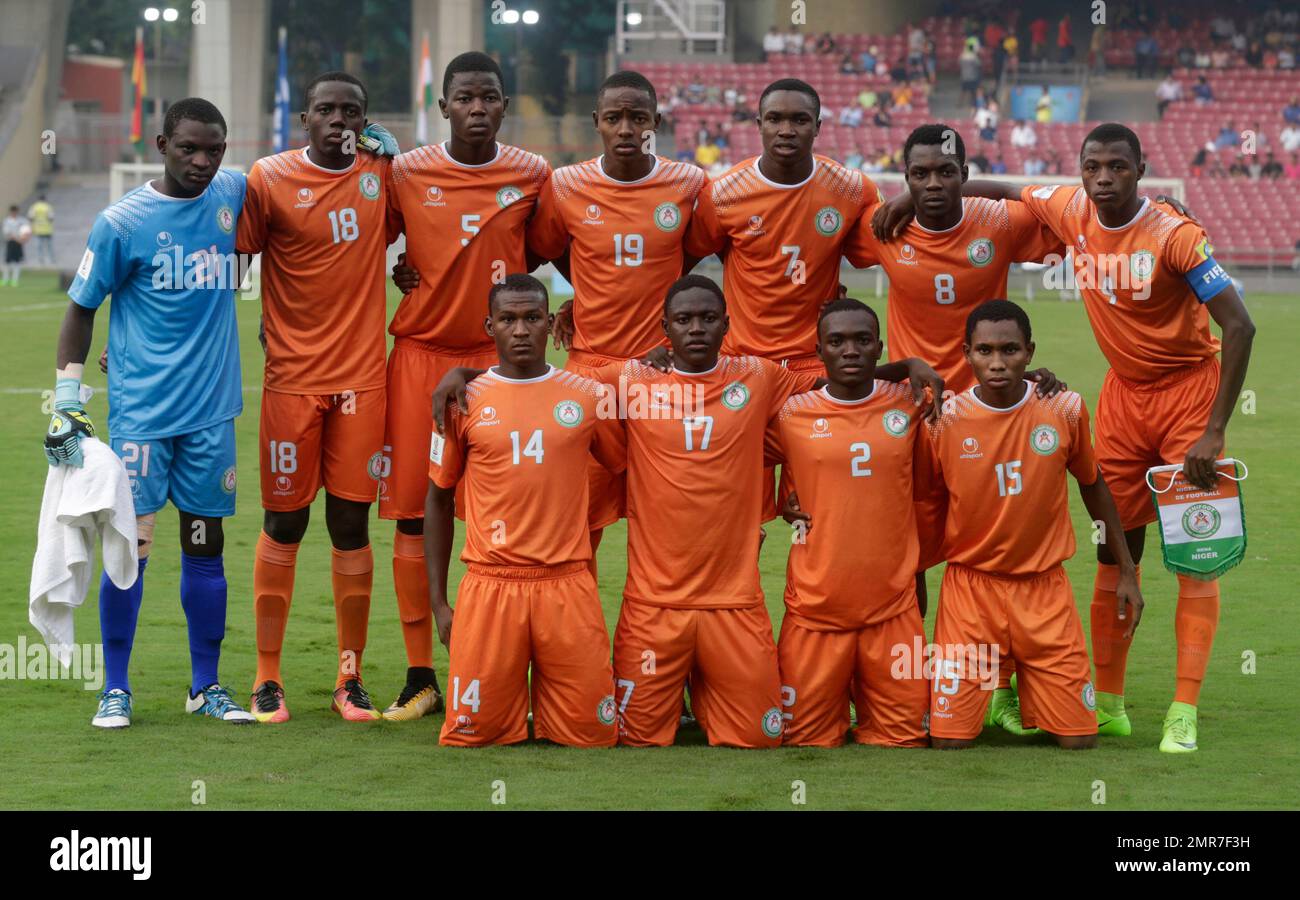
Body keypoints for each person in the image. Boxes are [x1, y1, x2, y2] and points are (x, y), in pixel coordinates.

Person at [906, 123, 1256, 753]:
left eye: (1117, 167)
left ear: (1142, 169)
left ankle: (1184, 708)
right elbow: (1004, 188)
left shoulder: (1176, 237)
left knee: (1195, 552)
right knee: (1113, 548)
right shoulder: (1071, 207)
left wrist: (1215, 429)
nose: (1102, 178)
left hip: (1190, 394)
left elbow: (1241, 325)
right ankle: (1112, 700)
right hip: (1123, 397)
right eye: (1092, 166)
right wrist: (909, 200)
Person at [50, 98, 255, 728]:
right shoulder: (122, 221)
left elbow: (304, 175)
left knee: (205, 544)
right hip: (142, 417)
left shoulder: (234, 192)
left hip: (212, 416)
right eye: (188, 147)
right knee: (128, 551)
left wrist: (363, 144)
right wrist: (66, 399)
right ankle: (117, 688)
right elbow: (82, 307)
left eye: (214, 149)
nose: (201, 160)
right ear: (162, 144)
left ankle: (206, 686)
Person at [843, 124, 1065, 702]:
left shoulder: (1000, 223)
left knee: (1002, 550)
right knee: (907, 557)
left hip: (992, 420)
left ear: (966, 177)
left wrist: (1160, 206)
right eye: (919, 175)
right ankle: (912, 682)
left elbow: (1069, 218)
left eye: (947, 173)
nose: (934, 184)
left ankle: (1008, 684)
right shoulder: (882, 230)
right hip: (911, 421)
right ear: (904, 178)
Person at [378, 52, 551, 719]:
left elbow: (557, 248)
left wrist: (570, 309)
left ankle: (497, 668)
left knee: (498, 514)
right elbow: (369, 241)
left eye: (490, 97)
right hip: (420, 356)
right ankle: (421, 674)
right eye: (464, 98)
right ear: (444, 105)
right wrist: (404, 268)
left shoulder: (533, 174)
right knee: (414, 512)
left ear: (504, 106)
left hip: (497, 363)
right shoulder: (408, 171)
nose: (477, 108)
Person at [236, 72, 401, 724]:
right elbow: (229, 267)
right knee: (285, 522)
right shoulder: (268, 178)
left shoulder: (380, 174)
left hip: (363, 381)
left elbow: (425, 234)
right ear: (304, 116)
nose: (339, 120)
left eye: (352, 111)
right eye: (327, 110)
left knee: (351, 524)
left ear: (365, 118)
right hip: (291, 383)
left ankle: (349, 677)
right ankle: (267, 677)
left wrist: (390, 158)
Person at [925, 300, 1140, 750]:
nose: (998, 362)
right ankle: (997, 689)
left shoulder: (1063, 408)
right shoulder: (944, 419)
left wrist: (1125, 568)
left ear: (1030, 351)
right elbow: (922, 502)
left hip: (1045, 591)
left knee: (1078, 741)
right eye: (984, 351)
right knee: (949, 743)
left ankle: (1029, 688)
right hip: (971, 592)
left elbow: (1094, 484)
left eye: (1010, 350)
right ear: (966, 353)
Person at [426, 275, 624, 747]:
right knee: (472, 736)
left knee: (594, 736)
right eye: (508, 319)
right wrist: (438, 603)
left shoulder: (586, 396)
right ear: (488, 326)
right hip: (491, 584)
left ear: (549, 322)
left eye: (532, 318)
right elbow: (435, 498)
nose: (520, 330)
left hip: (567, 584)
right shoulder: (462, 400)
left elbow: (628, 468)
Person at [523, 69, 707, 570]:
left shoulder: (689, 184)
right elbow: (542, 250)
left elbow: (699, 255)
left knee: (676, 528)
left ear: (656, 123)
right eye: (614, 118)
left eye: (638, 118)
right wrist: (582, 289)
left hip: (667, 377)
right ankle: (571, 643)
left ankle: (666, 642)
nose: (626, 128)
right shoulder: (565, 185)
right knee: (577, 528)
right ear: (596, 123)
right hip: (589, 375)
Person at [766, 299, 931, 748]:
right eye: (837, 341)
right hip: (816, 609)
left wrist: (1036, 378)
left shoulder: (913, 404)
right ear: (819, 350)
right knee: (802, 738)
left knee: (907, 743)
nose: (851, 350)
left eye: (862, 340)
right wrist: (780, 500)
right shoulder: (790, 412)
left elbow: (991, 396)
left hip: (892, 609)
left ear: (880, 348)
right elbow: (733, 450)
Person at [2, 205, 26, 285]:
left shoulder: (21, 221)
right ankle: (5, 279)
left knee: (17, 261)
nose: (14, 213)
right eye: (13, 212)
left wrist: (23, 239)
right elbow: (8, 233)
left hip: (19, 243)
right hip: (11, 242)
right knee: (7, 261)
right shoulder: (7, 221)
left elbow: (25, 231)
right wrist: (18, 239)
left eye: (15, 211)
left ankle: (14, 280)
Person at [26, 194, 54, 266]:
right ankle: (51, 259)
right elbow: (51, 218)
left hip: (38, 229)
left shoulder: (34, 207)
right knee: (49, 246)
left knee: (39, 246)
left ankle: (40, 259)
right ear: (45, 199)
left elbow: (30, 217)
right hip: (47, 229)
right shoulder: (48, 207)